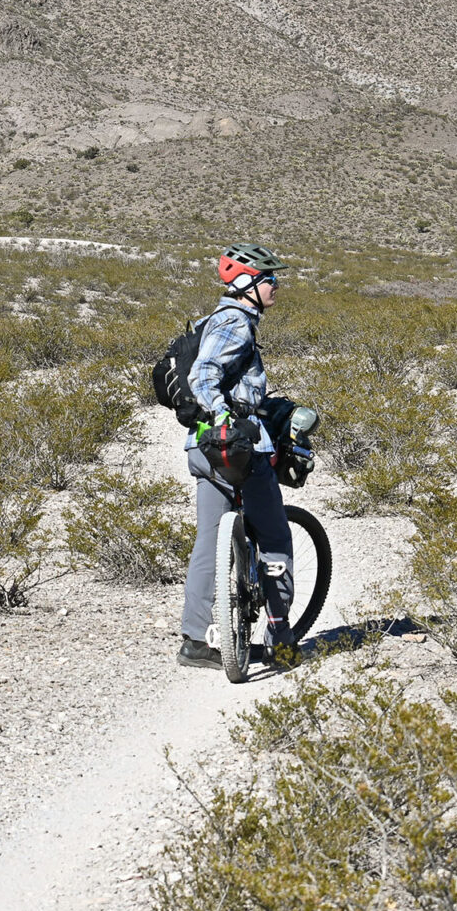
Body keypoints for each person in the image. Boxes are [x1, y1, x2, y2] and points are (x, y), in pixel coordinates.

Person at [176, 243, 295, 669]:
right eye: (270, 280)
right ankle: (280, 637)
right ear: (247, 284)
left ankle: (194, 641)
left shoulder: (214, 319)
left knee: (208, 543)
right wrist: (229, 418)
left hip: (204, 448)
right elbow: (204, 374)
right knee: (276, 540)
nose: (277, 286)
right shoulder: (236, 322)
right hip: (237, 447)